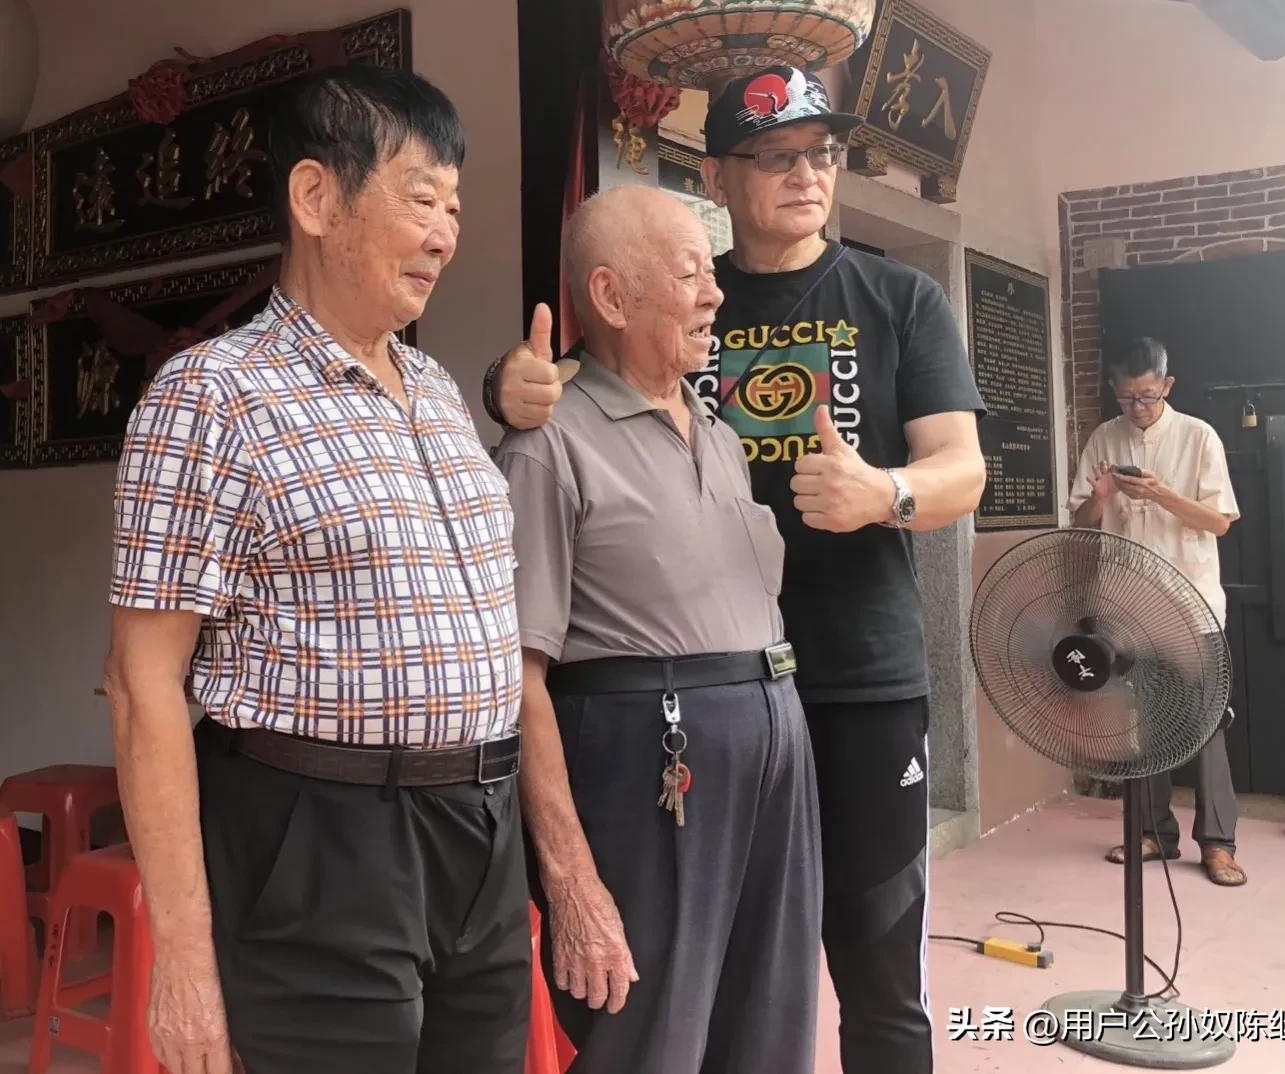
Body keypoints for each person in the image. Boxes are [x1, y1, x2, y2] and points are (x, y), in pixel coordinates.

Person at [490, 67, 987, 1074]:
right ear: (716, 175)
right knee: (692, 995)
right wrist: (506, 388)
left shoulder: (899, 296)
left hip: (854, 678)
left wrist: (881, 492)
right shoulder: (675, 301)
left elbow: (963, 468)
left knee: (875, 971)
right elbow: (566, 390)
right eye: (775, 156)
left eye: (822, 153)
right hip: (681, 709)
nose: (807, 174)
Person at [104, 63, 531, 1074]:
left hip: (478, 829)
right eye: (420, 197)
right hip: (316, 837)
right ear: (314, 198)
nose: (444, 232)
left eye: (455, 206)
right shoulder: (212, 395)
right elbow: (140, 683)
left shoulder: (431, 387)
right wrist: (185, 961)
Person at [495, 184, 822, 1074]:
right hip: (650, 768)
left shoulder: (719, 435)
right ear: (609, 297)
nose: (715, 293)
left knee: (772, 1016)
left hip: (773, 748)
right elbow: (517, 677)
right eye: (689, 275)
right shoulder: (548, 441)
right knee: (653, 1034)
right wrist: (568, 877)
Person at [1069, 336, 1246, 886]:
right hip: (1126, 608)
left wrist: (1161, 495)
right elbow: (1080, 525)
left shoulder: (1199, 437)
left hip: (1190, 605)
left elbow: (1220, 521)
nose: (1137, 408)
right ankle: (1151, 832)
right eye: (1126, 398)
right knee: (1142, 723)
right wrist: (1101, 496)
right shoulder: (1103, 437)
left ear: (1166, 386)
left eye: (1146, 396)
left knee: (1206, 724)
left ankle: (1218, 843)